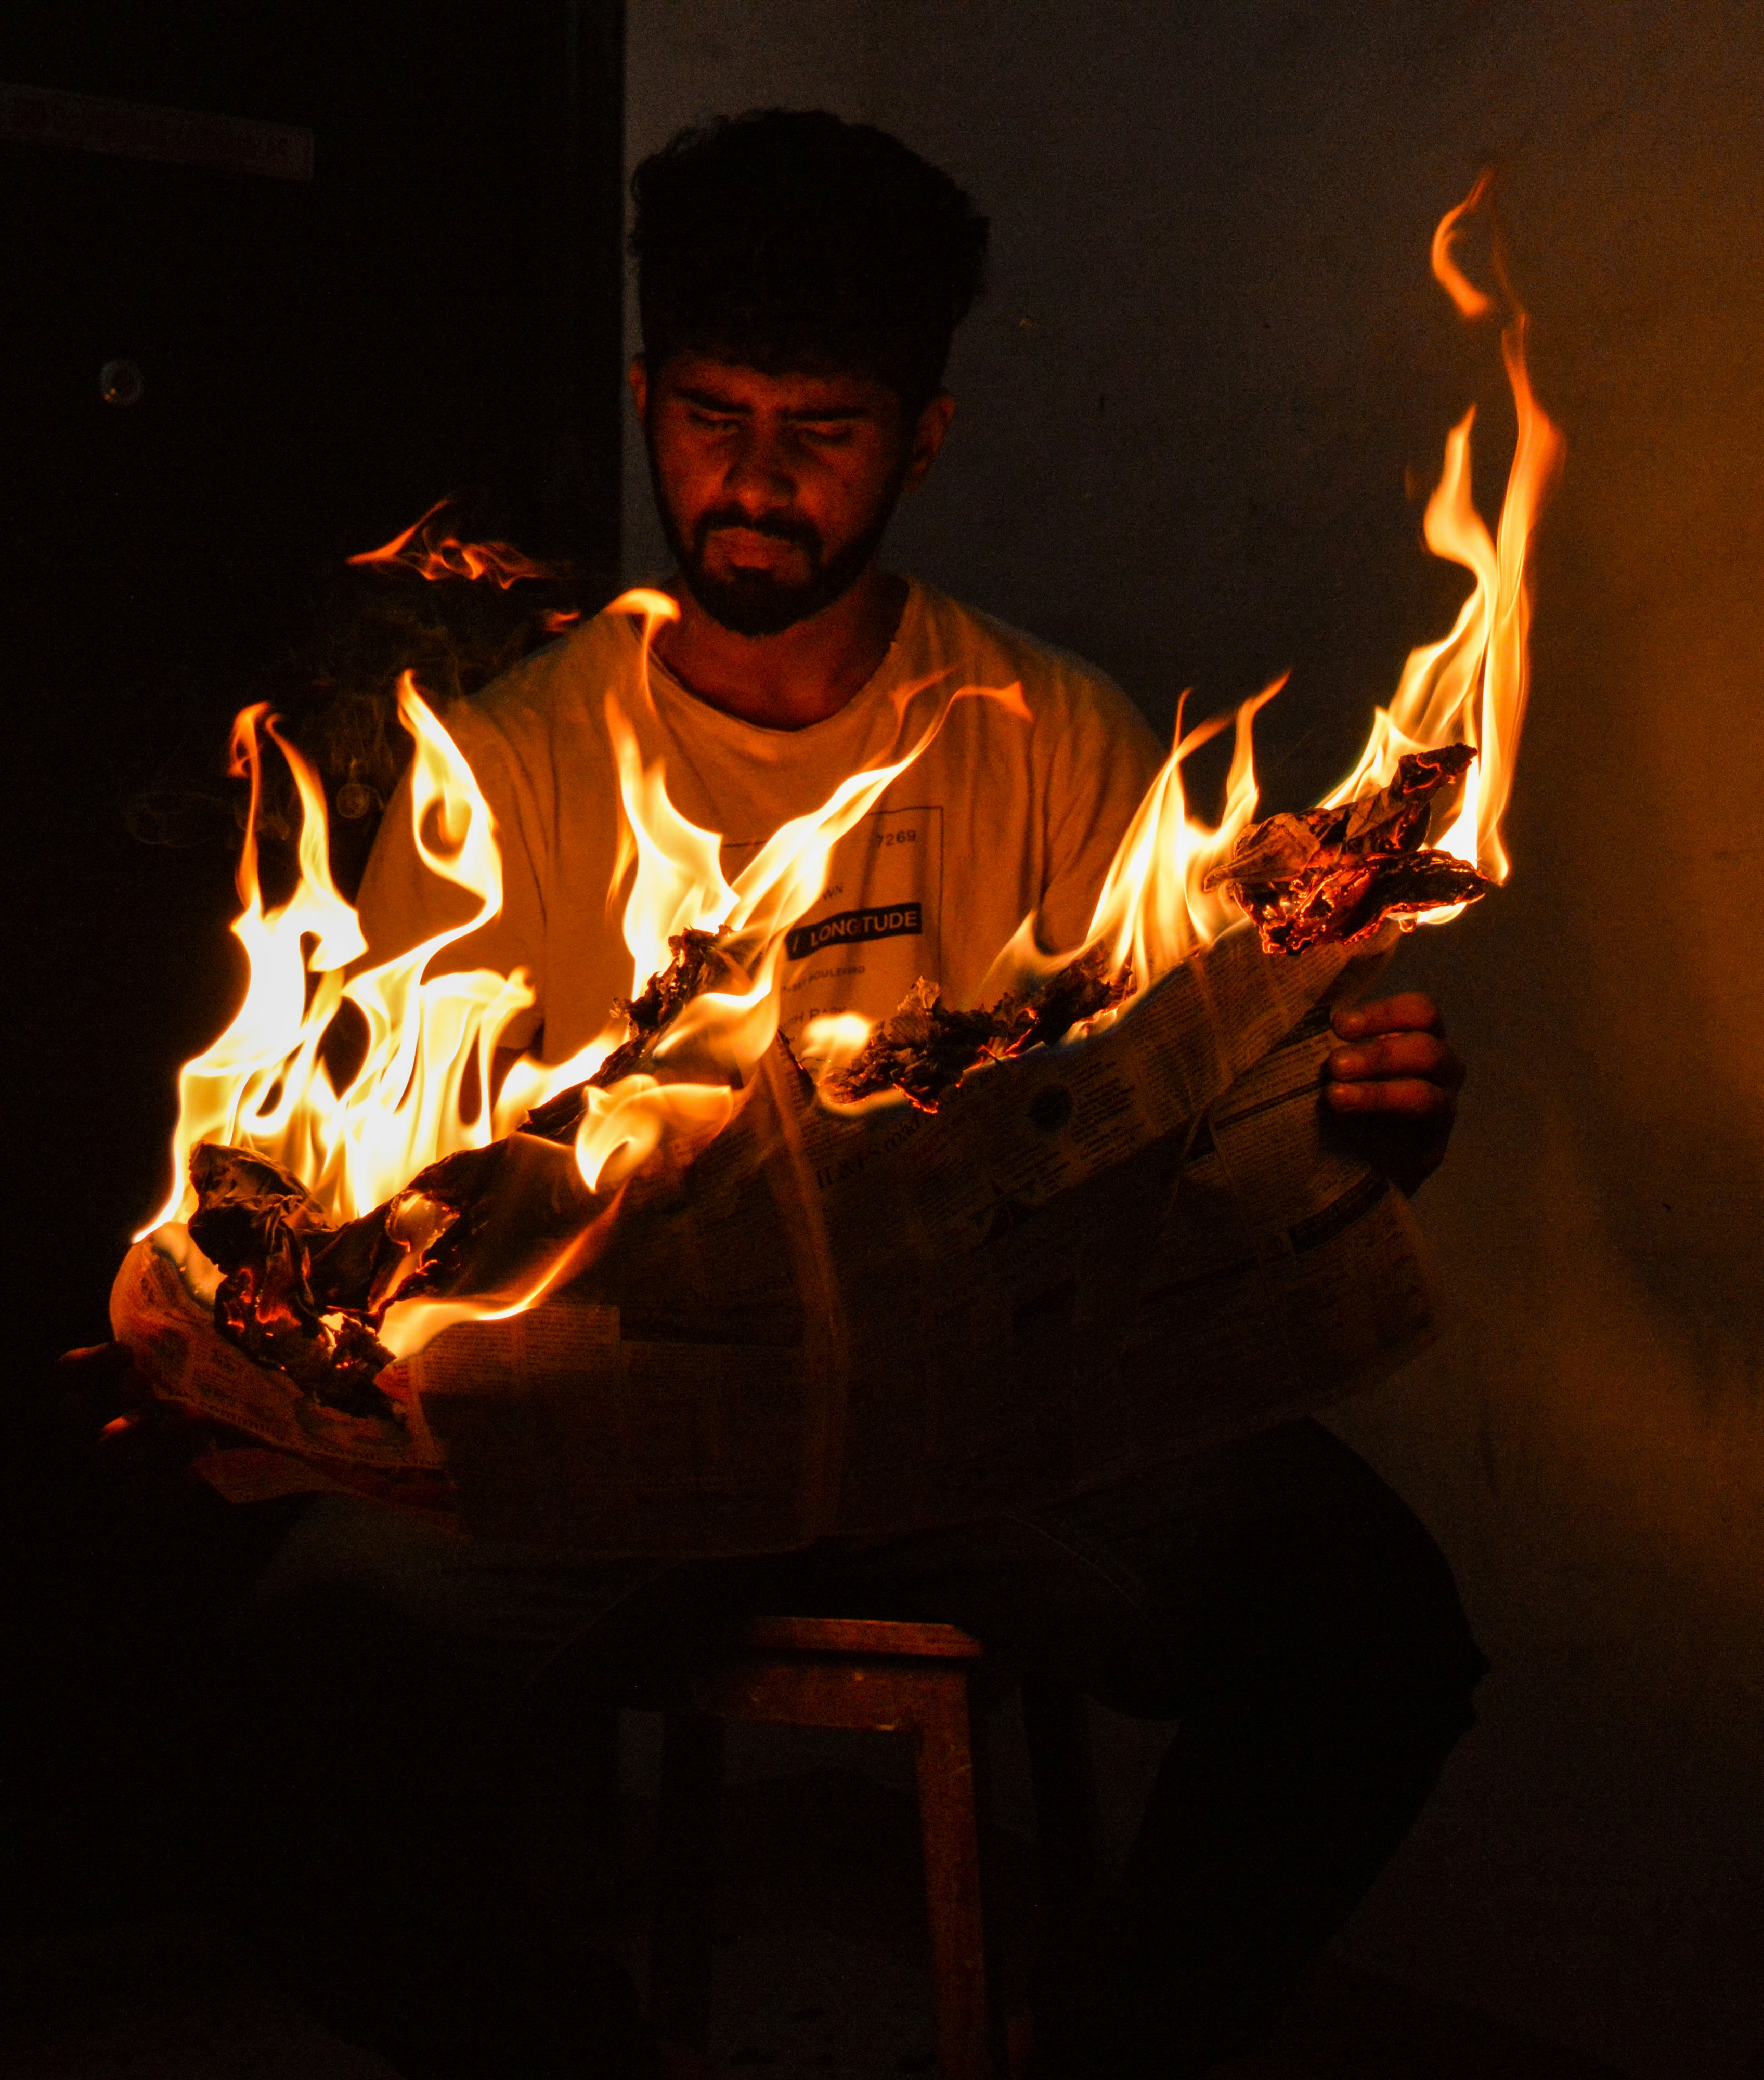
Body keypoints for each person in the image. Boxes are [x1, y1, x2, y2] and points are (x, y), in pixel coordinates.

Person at [172, 112, 1486, 2079]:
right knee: (286, 1725)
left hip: (992, 1444)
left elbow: (1193, 1142)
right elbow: (386, 1168)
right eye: (710, 416)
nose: (757, 484)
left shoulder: (1045, 733)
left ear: (923, 442)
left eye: (826, 430)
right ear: (645, 400)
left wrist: (1359, 1123)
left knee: (1376, 1641)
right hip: (617, 1462)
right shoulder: (519, 762)